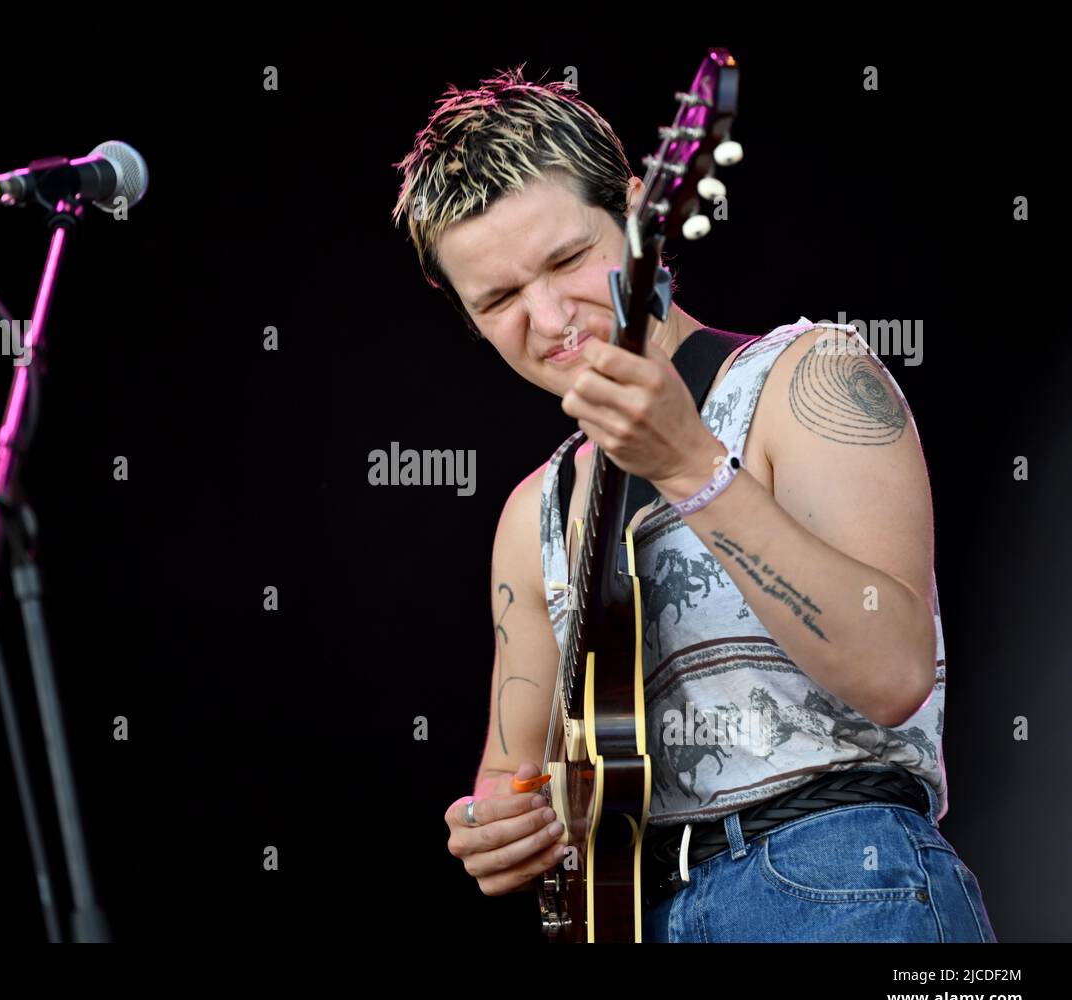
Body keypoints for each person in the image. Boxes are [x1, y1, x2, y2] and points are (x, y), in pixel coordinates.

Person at [390, 65, 996, 942]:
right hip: (641, 910)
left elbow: (896, 672)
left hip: (839, 875)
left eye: (566, 259)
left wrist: (692, 468)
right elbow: (509, 768)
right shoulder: (535, 512)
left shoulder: (807, 377)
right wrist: (495, 827)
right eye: (501, 298)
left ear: (641, 216)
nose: (550, 314)